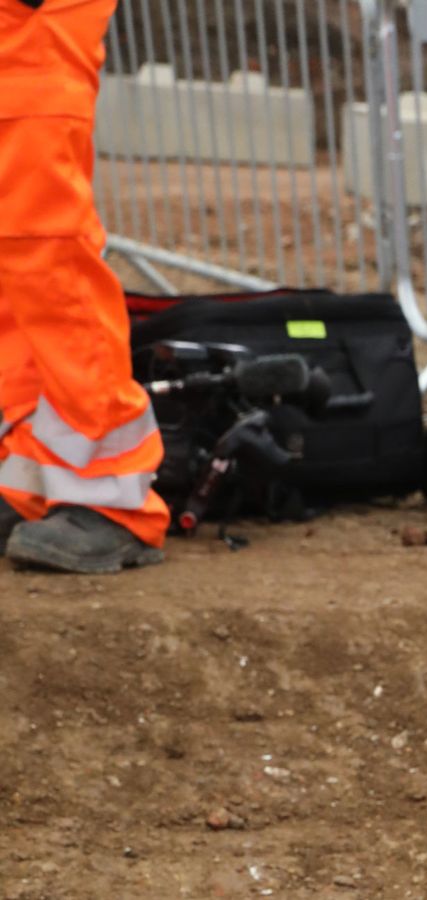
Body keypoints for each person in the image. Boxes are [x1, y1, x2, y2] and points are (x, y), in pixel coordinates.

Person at [0, 0, 169, 573]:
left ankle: (113, 498)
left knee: (45, 249)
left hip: (34, 21)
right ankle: (26, 475)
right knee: (15, 261)